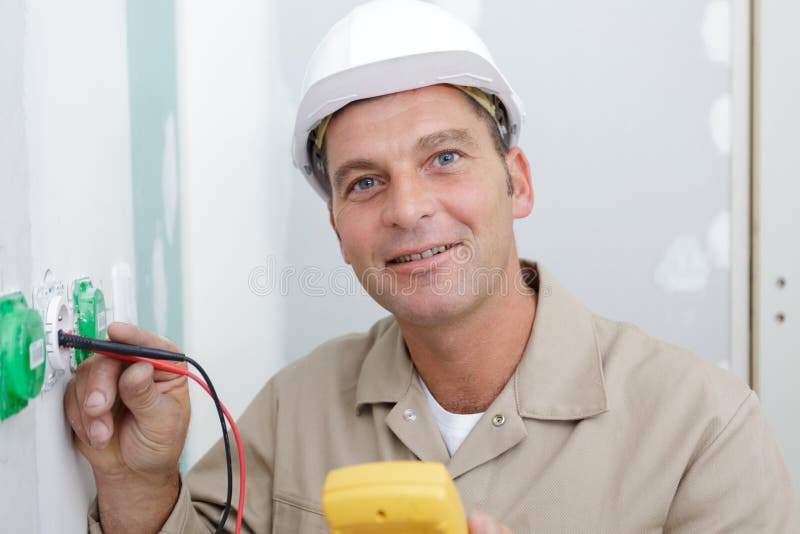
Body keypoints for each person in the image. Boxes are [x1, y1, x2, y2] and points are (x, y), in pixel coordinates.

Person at [66, 1, 799, 532]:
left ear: (518, 180)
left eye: (444, 158)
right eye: (364, 181)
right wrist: (139, 483)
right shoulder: (292, 412)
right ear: (337, 227)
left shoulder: (702, 427)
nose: (409, 208)